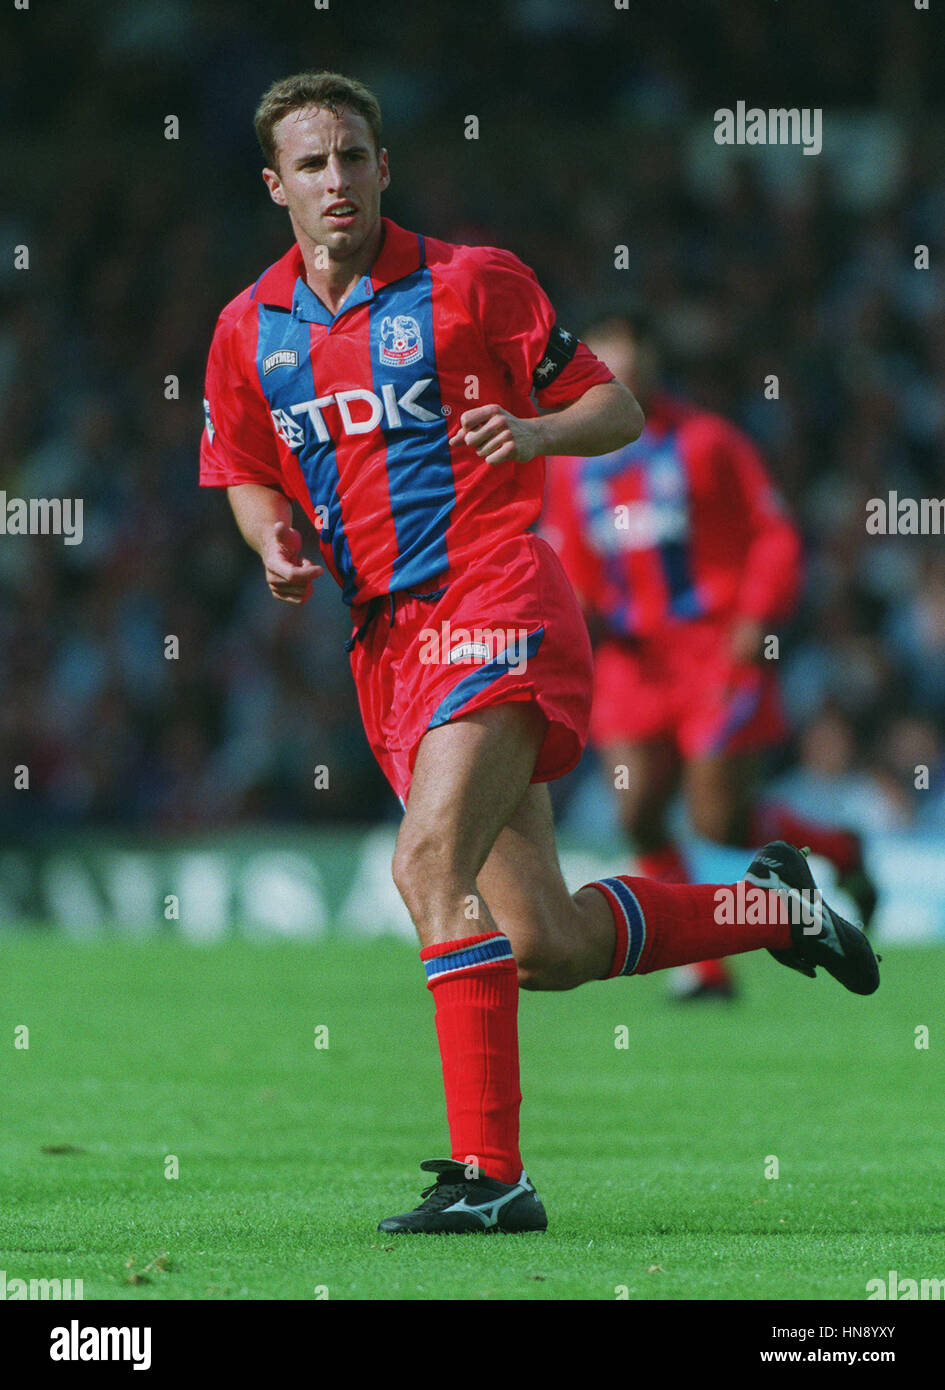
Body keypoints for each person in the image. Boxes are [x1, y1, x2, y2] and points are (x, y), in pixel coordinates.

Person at [200, 72, 879, 1235]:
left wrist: (536, 429)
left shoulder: (472, 282)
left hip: (495, 593)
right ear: (276, 186)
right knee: (543, 944)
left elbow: (614, 408)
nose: (337, 180)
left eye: (354, 156)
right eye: (312, 165)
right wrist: (272, 539)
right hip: (384, 646)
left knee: (425, 866)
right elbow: (244, 468)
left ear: (384, 166)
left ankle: (492, 1177)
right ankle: (772, 912)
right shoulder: (246, 329)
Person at [543, 312, 878, 1001]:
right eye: (603, 350)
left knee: (715, 819)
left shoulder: (706, 443)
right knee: (637, 812)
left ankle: (838, 850)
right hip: (632, 667)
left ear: (650, 360)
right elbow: (571, 569)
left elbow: (773, 533)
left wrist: (756, 617)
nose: (618, 361)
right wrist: (576, 622)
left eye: (629, 347)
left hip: (713, 656)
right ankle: (704, 968)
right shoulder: (572, 466)